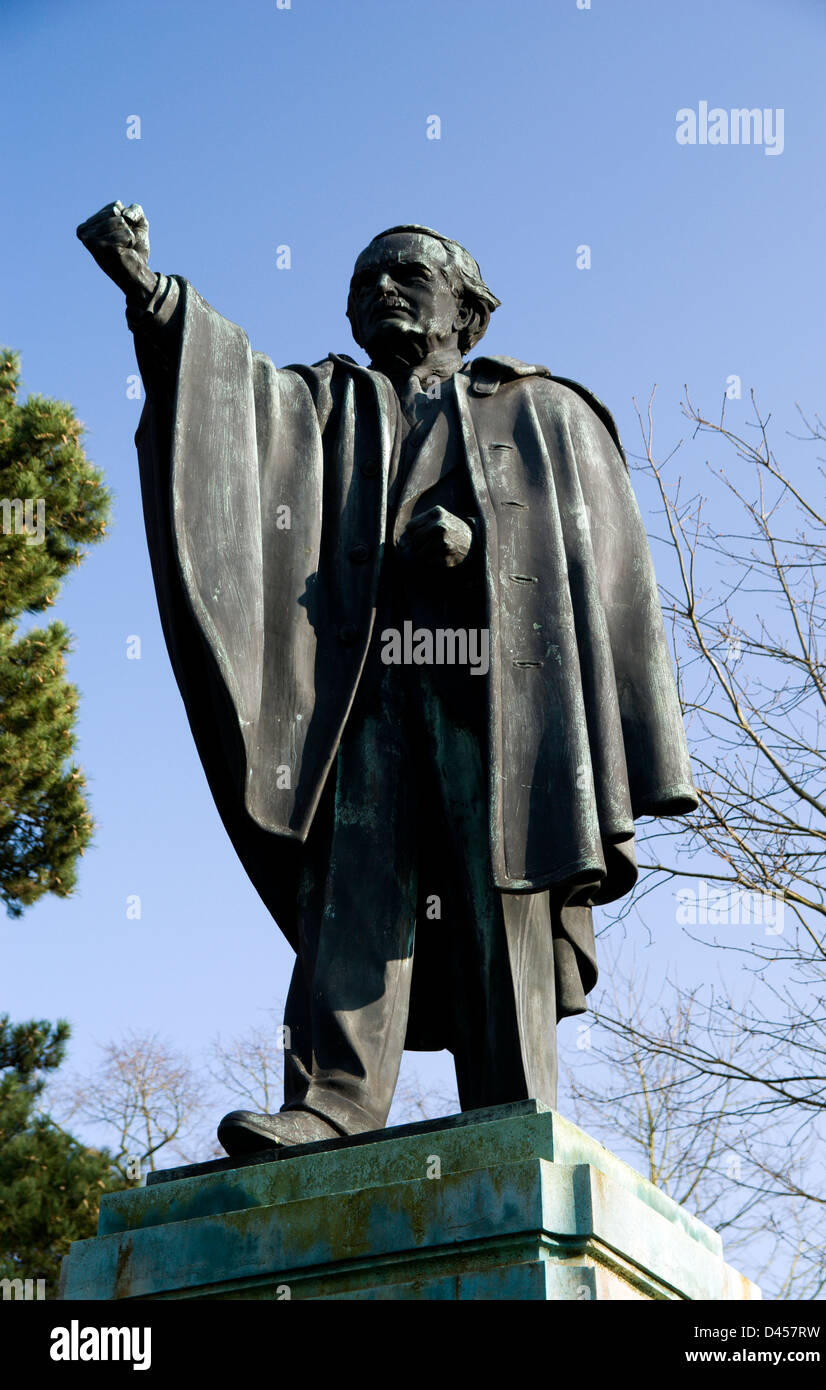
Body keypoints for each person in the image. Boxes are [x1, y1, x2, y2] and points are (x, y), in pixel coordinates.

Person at [76, 202, 697, 1155]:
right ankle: (330, 1103)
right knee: (352, 885)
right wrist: (156, 300)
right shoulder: (328, 404)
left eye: (407, 275)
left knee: (500, 889)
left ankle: (510, 1104)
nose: (380, 292)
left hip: (498, 693)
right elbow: (231, 406)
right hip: (367, 687)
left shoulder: (542, 410)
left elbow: (604, 573)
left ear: (467, 311)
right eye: (364, 282)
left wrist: (480, 548)